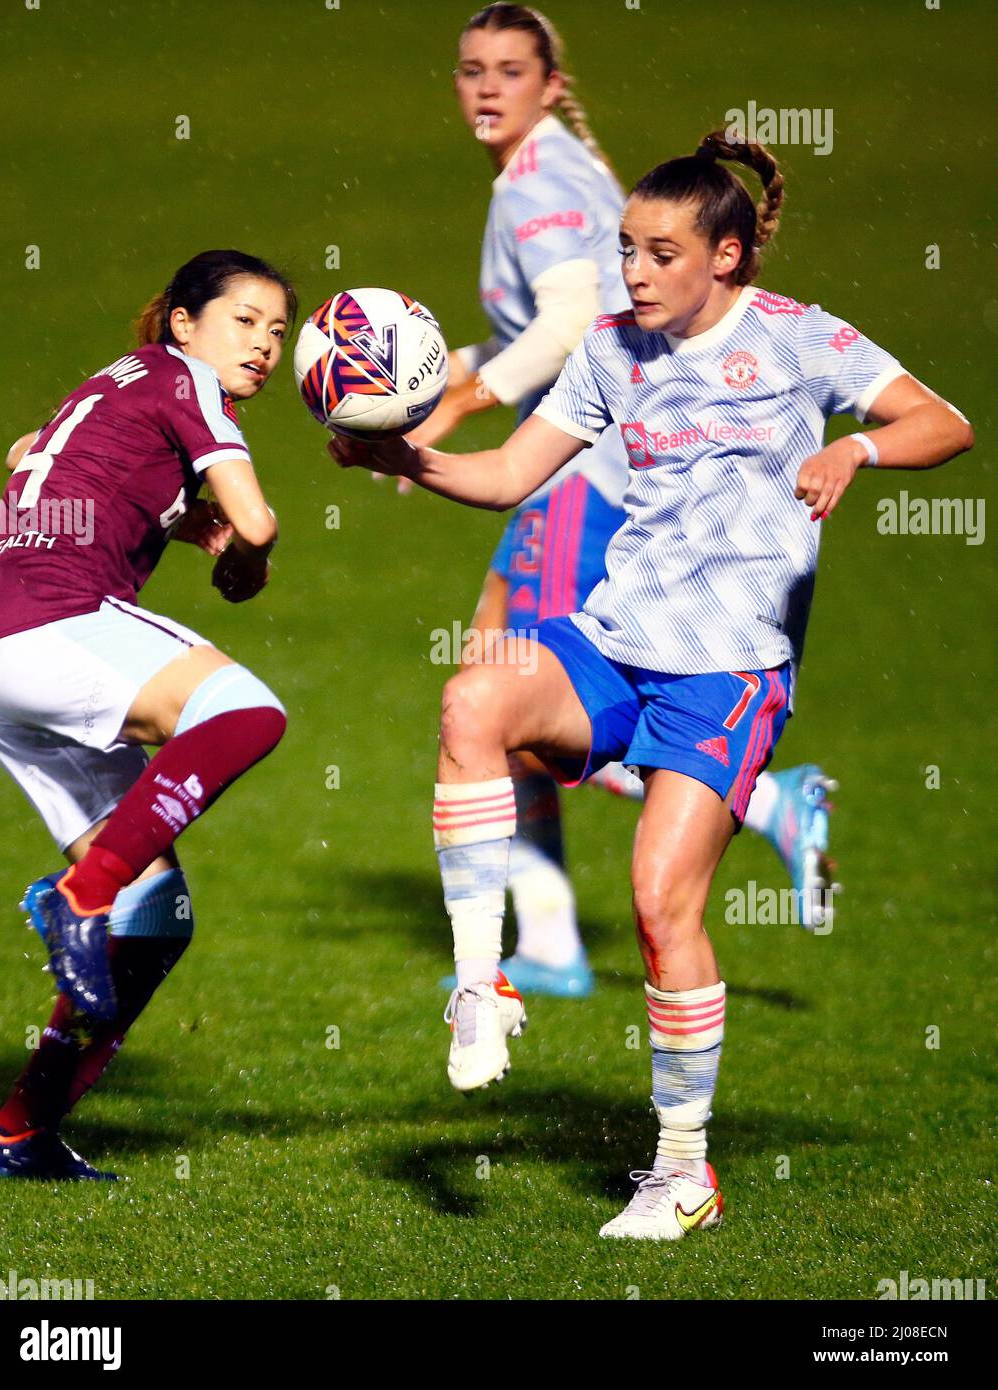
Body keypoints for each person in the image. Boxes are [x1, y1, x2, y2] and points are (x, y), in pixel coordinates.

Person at [331, 132, 973, 1238]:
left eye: (657, 251)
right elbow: (503, 478)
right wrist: (404, 456)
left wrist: (853, 454)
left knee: (657, 903)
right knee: (472, 702)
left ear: (725, 256)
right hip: (614, 636)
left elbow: (943, 422)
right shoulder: (608, 352)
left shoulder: (797, 340)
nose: (631, 269)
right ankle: (481, 984)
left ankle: (682, 1173)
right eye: (624, 246)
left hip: (726, 669)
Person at [409, 3, 835, 1002]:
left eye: (509, 71)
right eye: (470, 68)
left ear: (551, 84)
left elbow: (565, 329)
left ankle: (765, 800)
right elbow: (545, 322)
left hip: (578, 482)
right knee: (490, 683)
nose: (483, 88)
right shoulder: (539, 172)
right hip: (585, 470)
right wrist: (428, 396)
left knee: (523, 702)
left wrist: (460, 402)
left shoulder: (540, 184)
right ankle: (549, 933)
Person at [0, 249, 293, 1181]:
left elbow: (23, 456)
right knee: (248, 711)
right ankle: (77, 894)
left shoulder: (123, 383)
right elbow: (260, 524)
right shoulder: (186, 378)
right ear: (185, 324)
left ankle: (19, 1132)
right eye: (246, 320)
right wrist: (243, 541)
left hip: (2, 666)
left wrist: (175, 522)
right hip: (60, 623)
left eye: (278, 330)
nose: (266, 344)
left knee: (157, 915)